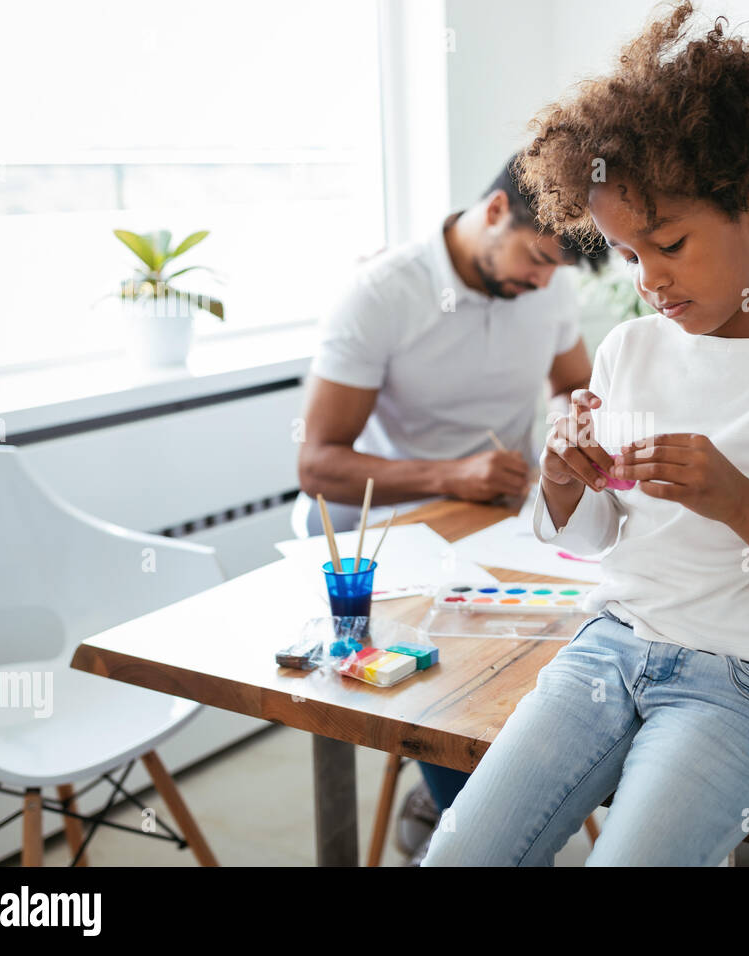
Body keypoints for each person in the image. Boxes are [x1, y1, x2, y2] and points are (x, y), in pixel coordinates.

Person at [422, 1, 749, 866]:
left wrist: (740, 502)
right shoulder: (630, 349)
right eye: (629, 254)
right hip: (609, 648)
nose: (650, 280)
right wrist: (566, 482)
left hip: (747, 689)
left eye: (670, 243)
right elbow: (606, 531)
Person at [295, 154, 608, 863]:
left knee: (581, 646)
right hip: (381, 547)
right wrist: (453, 474)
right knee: (465, 681)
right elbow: (316, 463)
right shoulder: (381, 294)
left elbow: (577, 386)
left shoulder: (545, 288)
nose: (542, 281)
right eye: (537, 259)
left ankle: (466, 813)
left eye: (557, 269)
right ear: (495, 211)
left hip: (497, 528)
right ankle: (469, 822)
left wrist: (571, 421)